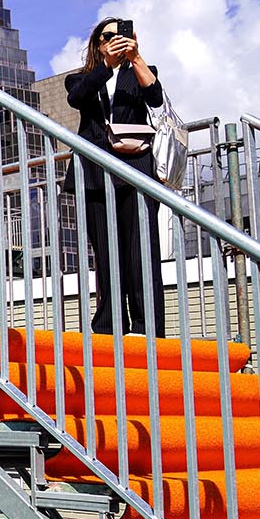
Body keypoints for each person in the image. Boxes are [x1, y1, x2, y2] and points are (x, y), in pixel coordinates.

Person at [63, 17, 166, 335]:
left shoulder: (139, 72)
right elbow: (77, 98)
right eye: (105, 36)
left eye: (119, 35)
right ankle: (109, 324)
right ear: (97, 43)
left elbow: (156, 98)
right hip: (95, 172)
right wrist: (106, 65)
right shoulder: (82, 78)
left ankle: (147, 325)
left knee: (142, 251)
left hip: (135, 168)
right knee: (106, 254)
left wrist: (135, 58)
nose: (113, 40)